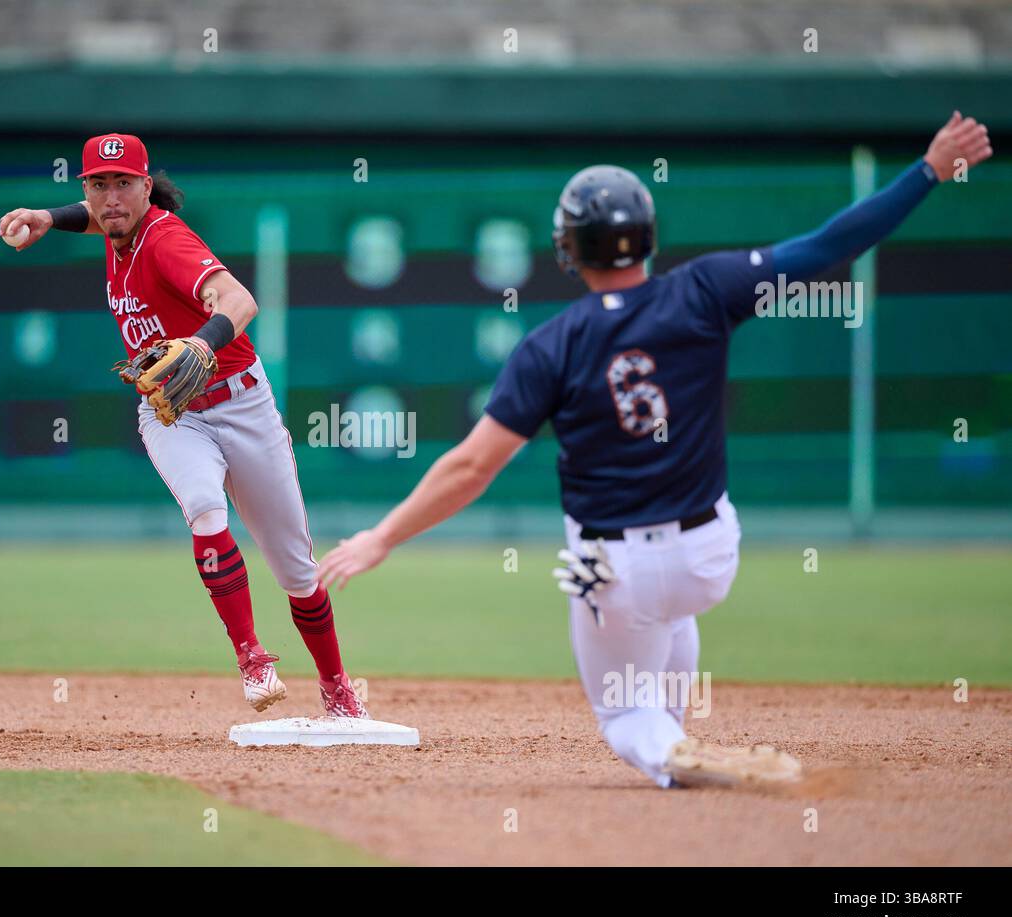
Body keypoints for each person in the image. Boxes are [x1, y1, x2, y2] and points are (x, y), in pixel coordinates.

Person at [317, 113, 991, 786]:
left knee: (622, 714)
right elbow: (826, 248)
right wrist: (928, 170)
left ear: (568, 248)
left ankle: (668, 752)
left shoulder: (551, 345)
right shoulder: (707, 290)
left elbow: (471, 466)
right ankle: (676, 743)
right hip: (708, 554)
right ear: (646, 238)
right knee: (668, 619)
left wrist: (382, 536)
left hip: (617, 567)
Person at [0, 133, 369, 719]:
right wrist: (48, 216)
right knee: (204, 508)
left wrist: (201, 343)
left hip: (241, 404)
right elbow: (102, 222)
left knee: (296, 570)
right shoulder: (115, 226)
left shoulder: (166, 239)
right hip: (173, 413)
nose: (110, 196)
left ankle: (338, 688)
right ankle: (252, 658)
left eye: (124, 184)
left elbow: (240, 301)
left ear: (147, 187)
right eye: (98, 184)